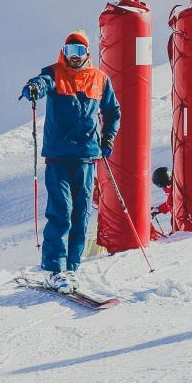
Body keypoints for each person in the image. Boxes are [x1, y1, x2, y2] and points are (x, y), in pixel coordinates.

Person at [21, 32, 121, 290]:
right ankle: (55, 269)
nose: (73, 56)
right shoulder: (54, 73)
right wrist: (34, 87)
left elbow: (113, 111)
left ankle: (72, 268)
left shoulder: (100, 79)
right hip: (58, 157)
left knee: (80, 215)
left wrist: (108, 140)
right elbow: (42, 82)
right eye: (69, 50)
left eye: (78, 50)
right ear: (63, 52)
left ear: (87, 53)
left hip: (87, 157)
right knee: (61, 212)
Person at [152, 165, 172, 231]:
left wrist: (160, 209)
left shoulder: (175, 188)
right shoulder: (168, 186)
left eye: (159, 185)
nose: (162, 188)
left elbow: (173, 202)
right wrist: (159, 209)